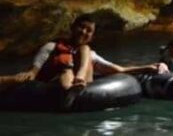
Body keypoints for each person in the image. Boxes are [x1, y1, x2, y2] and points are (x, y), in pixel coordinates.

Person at [24, 15, 157, 96]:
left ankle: (77, 83)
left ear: (92, 37)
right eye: (81, 27)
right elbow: (34, 71)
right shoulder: (51, 47)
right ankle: (69, 92)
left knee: (84, 49)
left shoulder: (89, 54)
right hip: (55, 84)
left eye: (89, 30)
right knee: (66, 69)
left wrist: (147, 67)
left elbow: (118, 70)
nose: (83, 31)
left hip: (83, 84)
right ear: (72, 27)